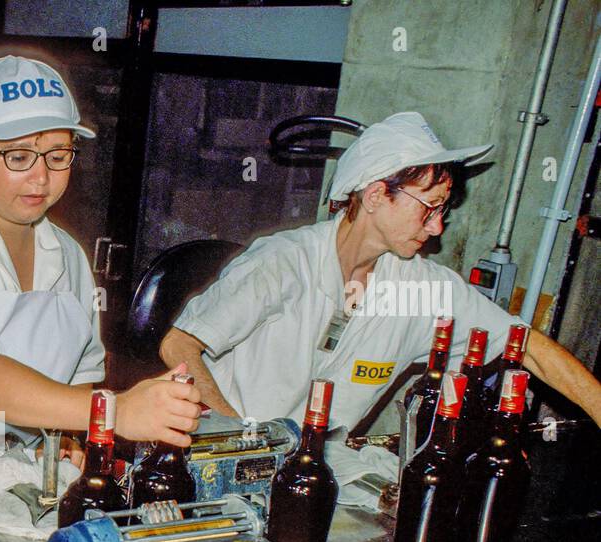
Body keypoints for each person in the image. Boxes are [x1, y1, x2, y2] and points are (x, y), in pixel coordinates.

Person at [159, 111, 601, 436]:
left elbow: (531, 348)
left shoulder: (420, 288)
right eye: (429, 208)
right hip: (224, 459)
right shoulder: (282, 263)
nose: (437, 227)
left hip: (323, 467)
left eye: (443, 210)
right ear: (375, 195)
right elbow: (179, 343)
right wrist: (239, 439)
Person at [0, 55, 201, 465]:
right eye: (19, 156)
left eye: (57, 154)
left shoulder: (68, 255)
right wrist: (115, 412)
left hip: (24, 474)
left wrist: (66, 436)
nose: (41, 177)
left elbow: (81, 378)